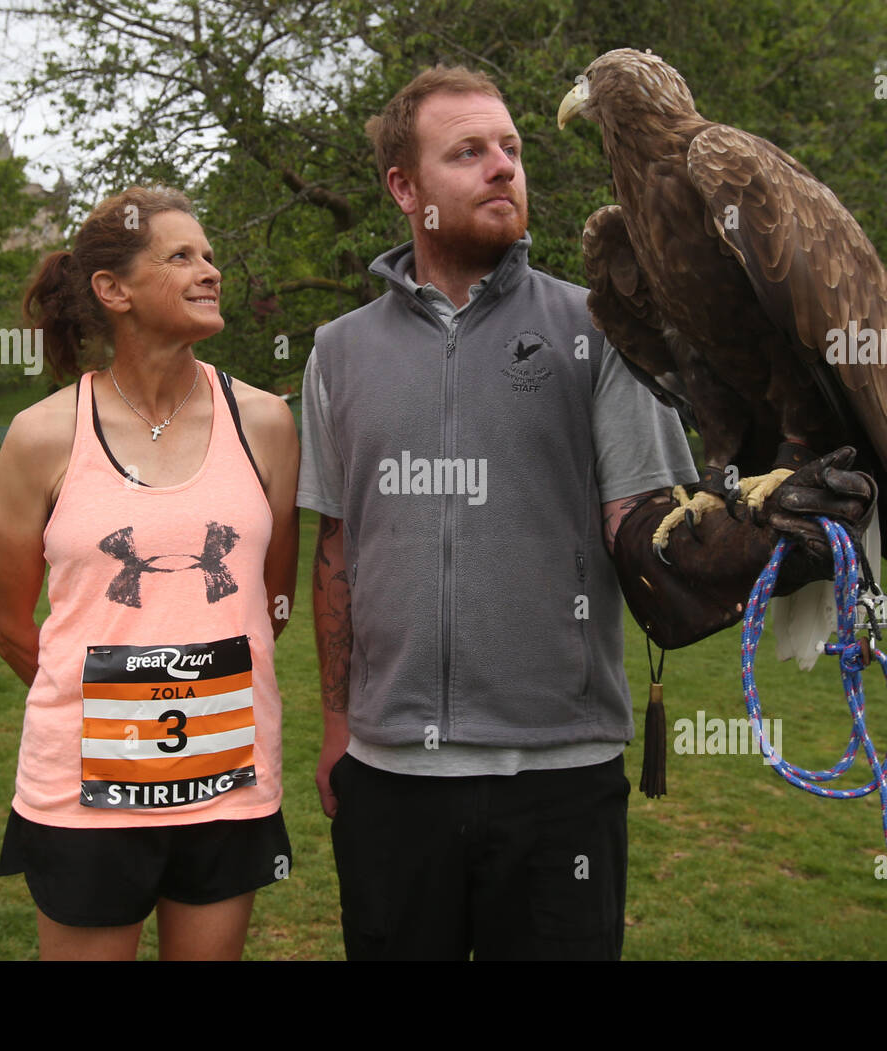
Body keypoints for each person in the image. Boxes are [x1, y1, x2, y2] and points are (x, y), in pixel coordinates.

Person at [296, 67, 699, 960]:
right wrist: (336, 726)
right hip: (390, 776)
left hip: (560, 777)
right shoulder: (336, 352)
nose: (502, 168)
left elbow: (654, 527)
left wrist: (754, 541)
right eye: (468, 152)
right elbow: (337, 551)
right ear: (404, 187)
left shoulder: (600, 322)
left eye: (511, 149)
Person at [0, 186, 300, 961]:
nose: (210, 271)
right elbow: (8, 620)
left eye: (212, 256)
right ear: (112, 290)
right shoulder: (41, 436)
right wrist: (104, 707)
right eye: (182, 256)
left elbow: (274, 601)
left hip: (227, 779)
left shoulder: (264, 421)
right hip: (85, 792)